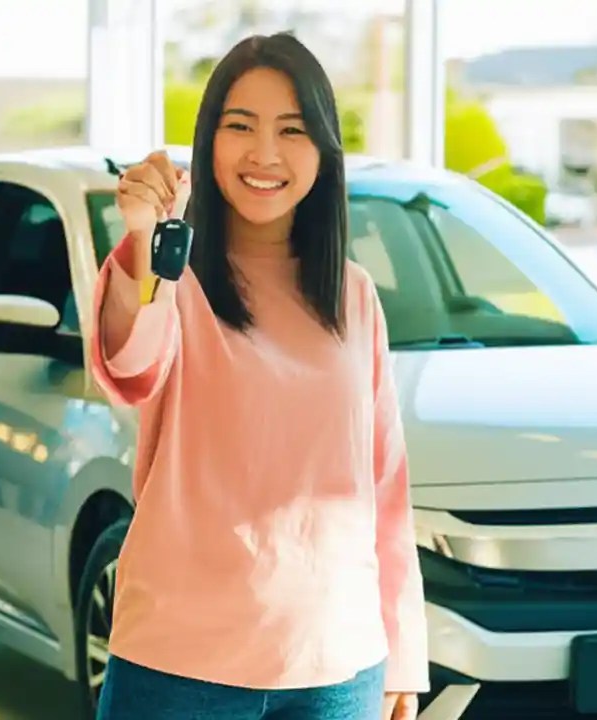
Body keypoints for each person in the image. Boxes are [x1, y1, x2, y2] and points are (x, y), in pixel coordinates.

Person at [89, 31, 428, 720]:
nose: (265, 154)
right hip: (178, 662)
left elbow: (384, 487)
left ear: (323, 151)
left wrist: (403, 649)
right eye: (239, 126)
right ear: (208, 141)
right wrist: (142, 240)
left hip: (337, 663)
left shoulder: (353, 295)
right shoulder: (171, 278)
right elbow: (128, 366)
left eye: (292, 130)